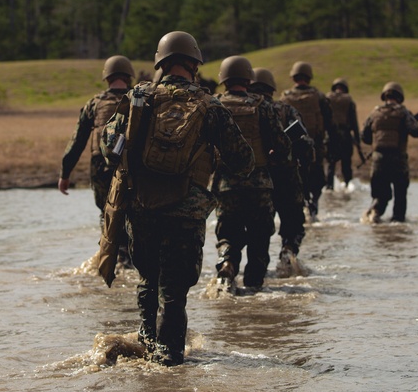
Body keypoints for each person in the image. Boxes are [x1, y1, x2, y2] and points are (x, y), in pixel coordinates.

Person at [100, 31, 253, 366]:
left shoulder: (139, 97)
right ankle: (169, 362)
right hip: (186, 212)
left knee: (147, 281)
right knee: (174, 291)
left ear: (161, 62)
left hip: (141, 208)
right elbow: (243, 158)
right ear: (194, 64)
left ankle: (146, 348)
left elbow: (107, 146)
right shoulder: (209, 105)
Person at [212, 57, 291, 293]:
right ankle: (255, 289)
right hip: (259, 186)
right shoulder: (262, 106)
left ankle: (227, 262)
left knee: (227, 233)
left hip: (225, 185)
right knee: (259, 240)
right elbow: (282, 144)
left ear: (223, 79)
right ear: (248, 78)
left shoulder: (215, 105)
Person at [58, 55, 134, 265]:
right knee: (131, 214)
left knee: (107, 213)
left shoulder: (94, 103)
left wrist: (65, 174)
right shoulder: (138, 101)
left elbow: (77, 142)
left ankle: (112, 258)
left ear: (106, 77)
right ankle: (127, 259)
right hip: (131, 167)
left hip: (100, 168)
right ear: (129, 76)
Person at [249, 68, 312, 277]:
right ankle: (287, 253)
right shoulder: (286, 110)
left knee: (258, 229)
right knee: (293, 224)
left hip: (255, 180)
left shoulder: (247, 110)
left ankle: (250, 270)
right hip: (287, 177)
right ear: (272, 88)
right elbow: (305, 143)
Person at [360, 82, 418, 223]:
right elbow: (416, 132)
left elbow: (364, 136)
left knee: (381, 194)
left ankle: (374, 213)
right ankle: (398, 223)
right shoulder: (403, 112)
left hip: (378, 160)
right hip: (398, 159)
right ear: (400, 97)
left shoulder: (374, 113)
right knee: (400, 194)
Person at [279, 61, 330, 220]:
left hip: (292, 147)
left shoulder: (285, 97)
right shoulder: (319, 96)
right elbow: (328, 119)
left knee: (295, 178)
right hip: (315, 145)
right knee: (317, 178)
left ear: (293, 77)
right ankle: (313, 205)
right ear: (309, 77)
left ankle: (301, 205)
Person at [326, 77, 360, 191]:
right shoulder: (349, 100)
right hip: (345, 136)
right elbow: (354, 123)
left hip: (331, 136)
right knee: (346, 165)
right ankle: (347, 186)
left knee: (331, 165)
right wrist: (357, 140)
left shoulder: (328, 99)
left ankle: (329, 188)